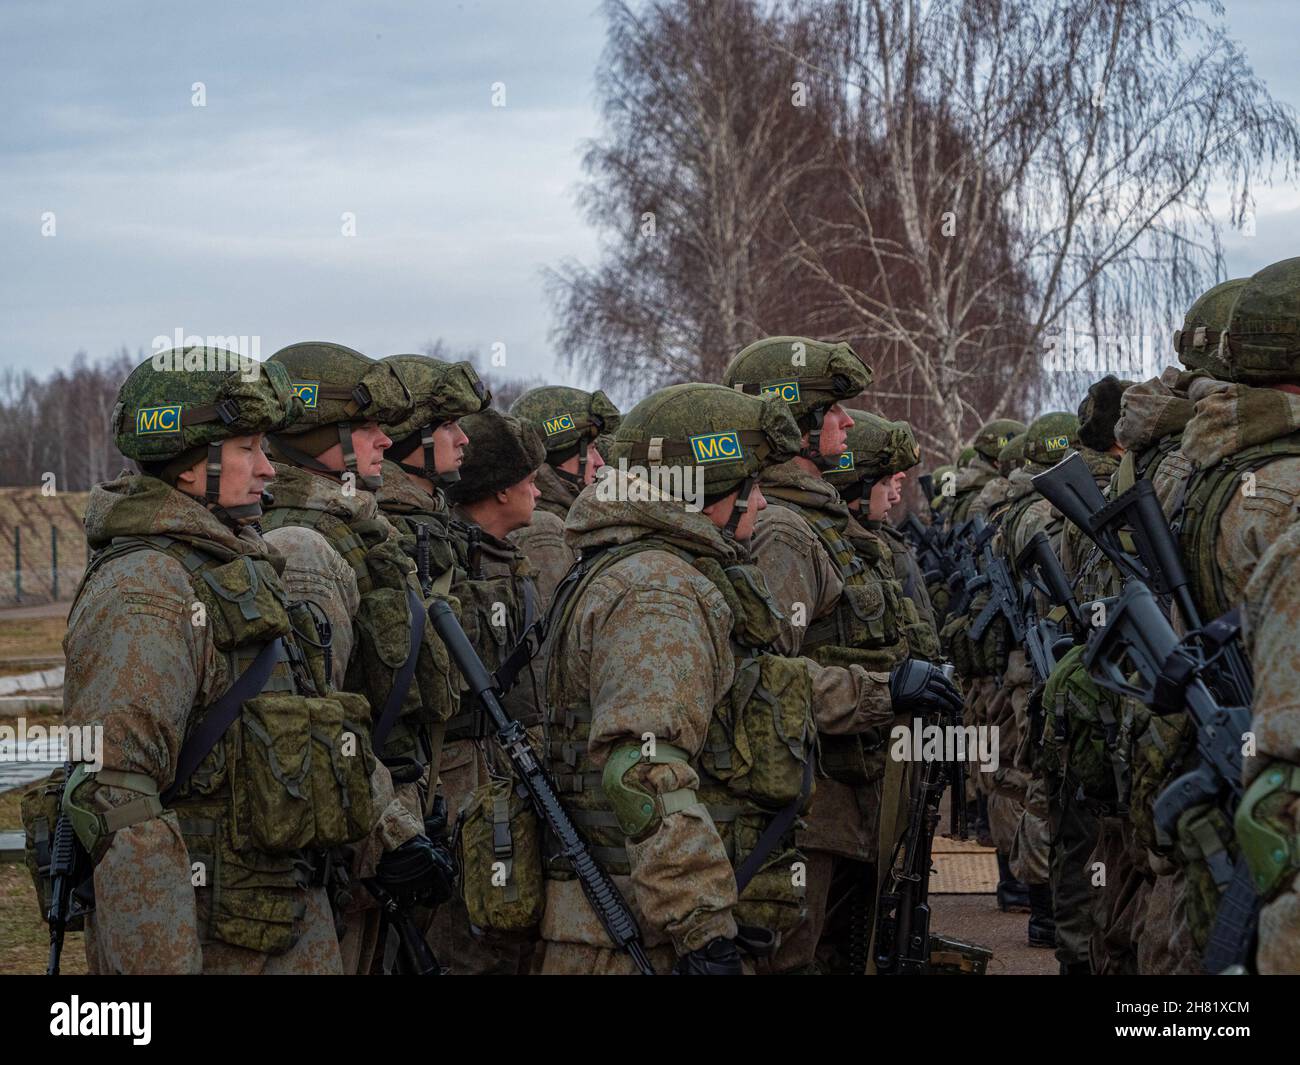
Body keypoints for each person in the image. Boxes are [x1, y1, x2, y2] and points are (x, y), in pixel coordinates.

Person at [57, 351, 371, 974]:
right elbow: (117, 797)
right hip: (211, 942)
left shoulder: (239, 569)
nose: (267, 469)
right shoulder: (147, 586)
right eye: (248, 448)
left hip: (282, 924)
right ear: (188, 464)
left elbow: (311, 724)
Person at [722, 337, 962, 972]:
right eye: (833, 411)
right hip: (804, 813)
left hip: (845, 804)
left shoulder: (824, 526)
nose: (848, 423)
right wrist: (886, 692)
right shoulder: (785, 532)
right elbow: (758, 681)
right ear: (797, 424)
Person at [258, 341, 457, 973]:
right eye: (366, 427)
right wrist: (390, 834)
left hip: (376, 824)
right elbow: (312, 726)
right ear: (318, 435)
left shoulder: (359, 528)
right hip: (348, 839)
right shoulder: (305, 549)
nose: (383, 441)